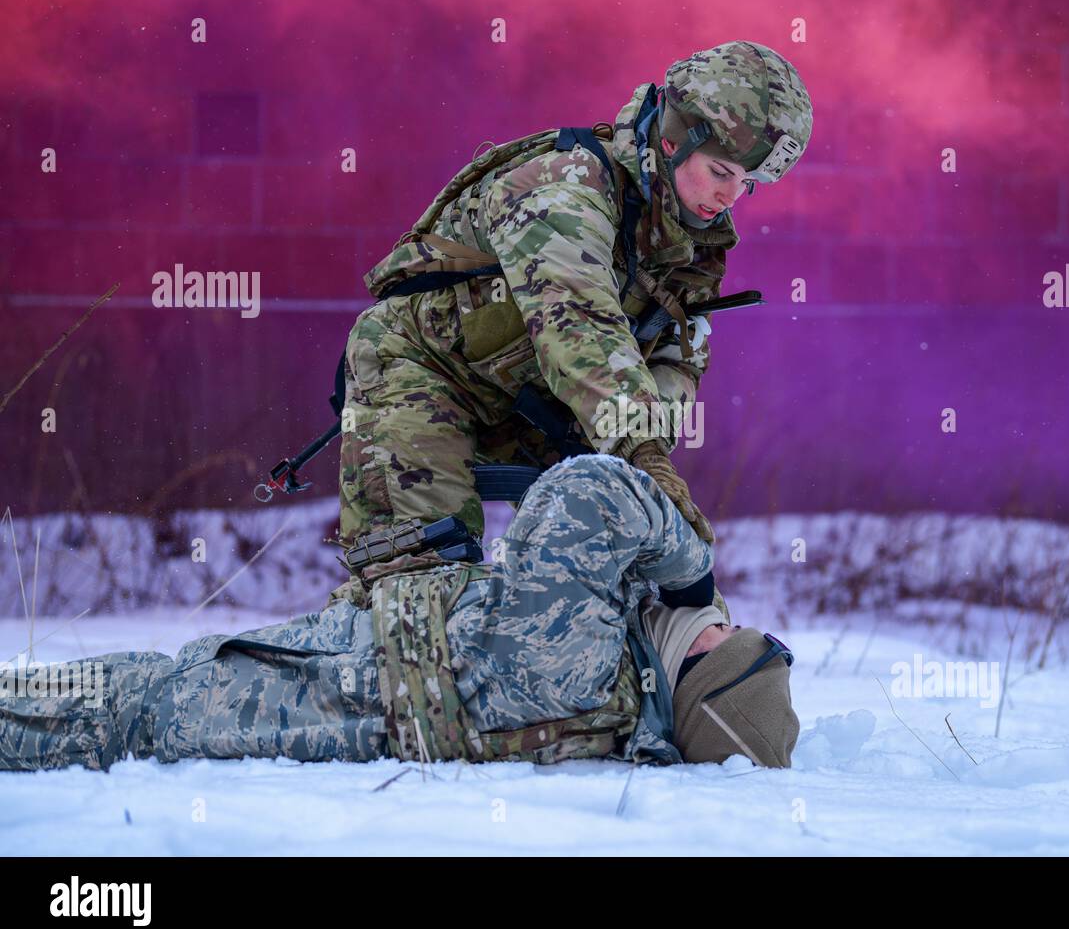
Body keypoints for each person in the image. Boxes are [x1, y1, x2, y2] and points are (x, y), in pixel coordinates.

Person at [336, 40, 814, 597]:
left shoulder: (692, 241)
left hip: (547, 410)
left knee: (623, 584)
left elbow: (677, 355)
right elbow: (578, 323)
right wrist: (641, 453)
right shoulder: (566, 188)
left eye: (746, 184)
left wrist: (642, 468)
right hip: (423, 374)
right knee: (422, 595)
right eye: (720, 171)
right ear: (675, 138)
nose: (730, 196)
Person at [0, 456, 798, 772]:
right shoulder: (613, 695)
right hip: (337, 689)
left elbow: (588, 490)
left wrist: (691, 571)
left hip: (312, 693)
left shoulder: (578, 656)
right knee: (138, 691)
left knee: (125, 708)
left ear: (698, 666)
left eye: (719, 631)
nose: (712, 616)